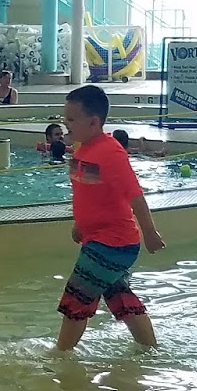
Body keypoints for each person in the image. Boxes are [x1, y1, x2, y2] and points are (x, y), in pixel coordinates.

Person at [56, 83, 165, 352]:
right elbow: (88, 193)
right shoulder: (83, 149)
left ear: (94, 122)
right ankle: (150, 351)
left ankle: (60, 355)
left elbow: (135, 195)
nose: (65, 123)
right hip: (99, 239)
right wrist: (80, 225)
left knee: (78, 295)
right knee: (119, 297)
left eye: (71, 119)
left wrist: (150, 233)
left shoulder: (110, 153)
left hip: (114, 242)